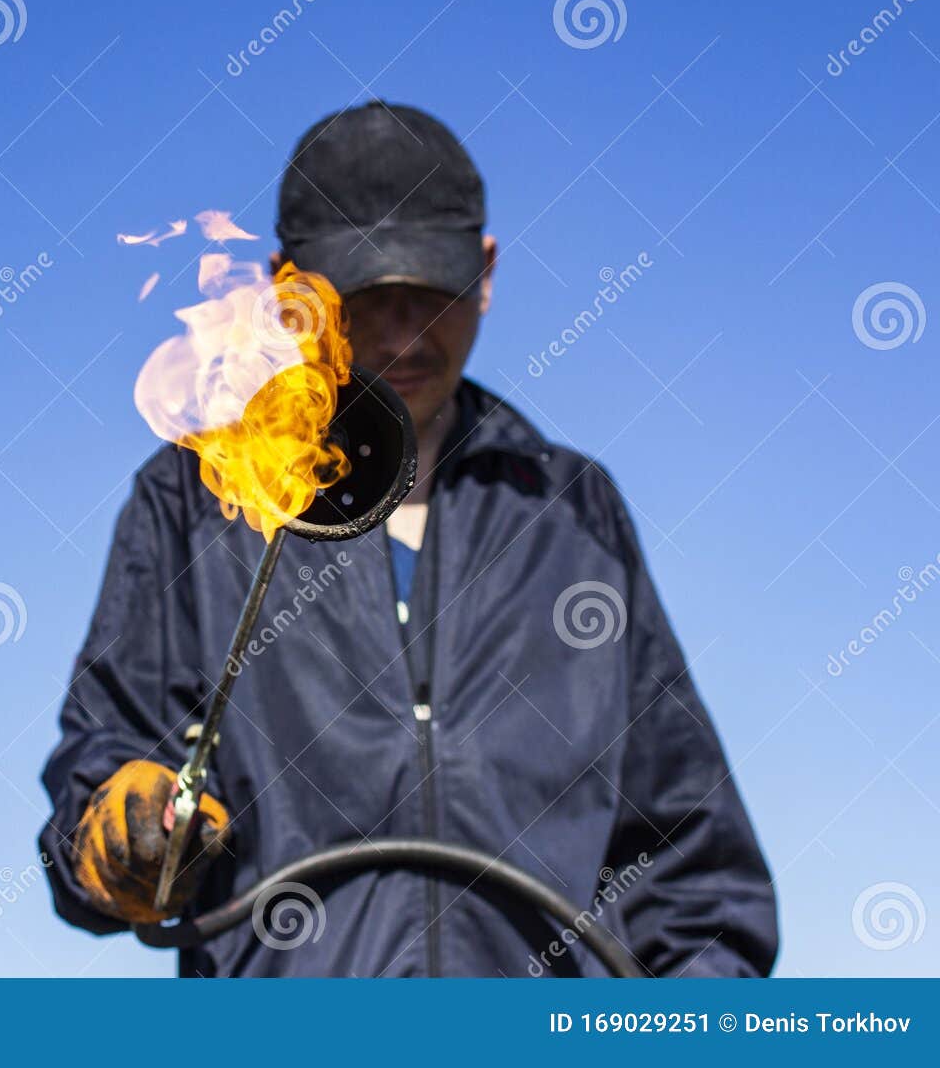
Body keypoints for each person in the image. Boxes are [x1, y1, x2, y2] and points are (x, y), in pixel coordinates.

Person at [38, 101, 778, 977]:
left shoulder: (574, 510)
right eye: (365, 297)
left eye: (431, 293)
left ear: (487, 272)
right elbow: (97, 792)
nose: (402, 335)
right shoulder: (196, 501)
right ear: (289, 289)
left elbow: (692, 867)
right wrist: (118, 841)